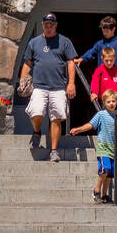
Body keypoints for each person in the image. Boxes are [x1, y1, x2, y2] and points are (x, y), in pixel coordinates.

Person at [19, 13, 77, 163]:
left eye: (51, 25)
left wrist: (71, 83)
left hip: (58, 87)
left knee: (56, 118)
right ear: (43, 24)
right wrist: (22, 81)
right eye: (46, 25)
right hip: (39, 86)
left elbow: (71, 62)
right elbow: (28, 63)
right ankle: (37, 132)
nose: (49, 27)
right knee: (36, 113)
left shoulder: (64, 42)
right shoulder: (34, 42)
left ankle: (54, 151)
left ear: (56, 25)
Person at [71, 89, 117, 204]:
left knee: (109, 175)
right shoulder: (101, 115)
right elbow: (91, 125)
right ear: (104, 103)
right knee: (104, 170)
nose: (111, 104)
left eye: (113, 101)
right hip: (103, 147)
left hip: (113, 148)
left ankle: (104, 195)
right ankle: (96, 191)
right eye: (108, 102)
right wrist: (78, 129)